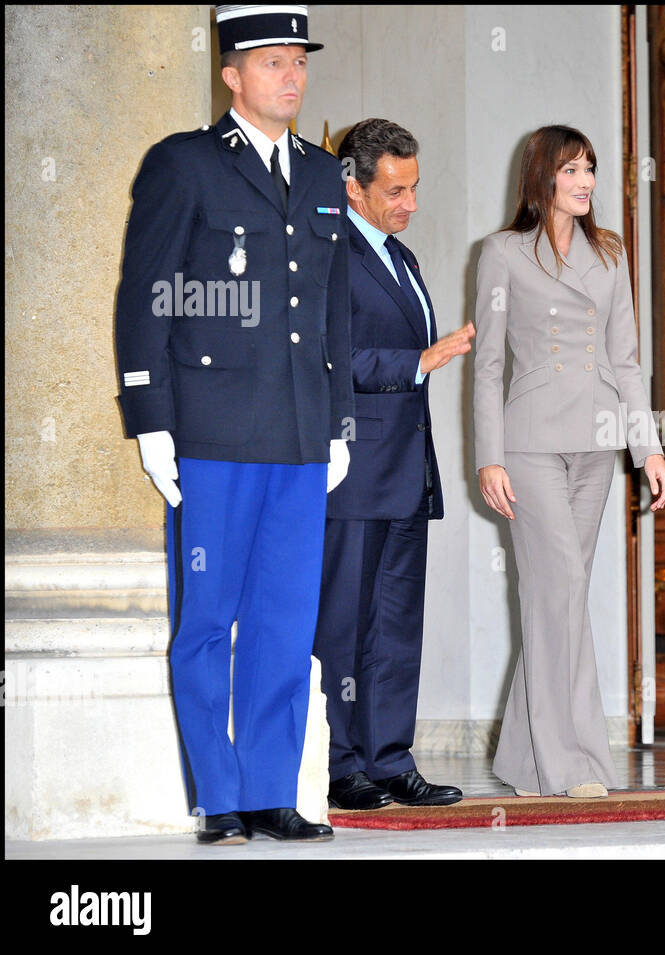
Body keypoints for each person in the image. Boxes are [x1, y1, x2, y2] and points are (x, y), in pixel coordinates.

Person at [113, 5, 351, 844]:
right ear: (232, 76)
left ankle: (269, 790)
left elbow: (334, 308)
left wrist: (341, 423)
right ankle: (219, 795)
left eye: (299, 61)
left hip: (296, 433)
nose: (292, 75)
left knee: (286, 623)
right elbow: (146, 295)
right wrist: (151, 420)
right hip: (210, 432)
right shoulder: (183, 165)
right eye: (274, 61)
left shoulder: (325, 177)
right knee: (209, 618)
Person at [474, 125, 665, 798]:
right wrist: (488, 457)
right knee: (555, 589)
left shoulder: (611, 255)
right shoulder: (500, 254)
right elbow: (489, 363)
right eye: (571, 170)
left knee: (559, 598)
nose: (586, 181)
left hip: (597, 443)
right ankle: (574, 763)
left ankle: (523, 762)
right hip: (528, 446)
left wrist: (647, 449)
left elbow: (626, 361)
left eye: (590, 168)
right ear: (543, 178)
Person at [313, 119, 474, 811]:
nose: (410, 202)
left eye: (414, 187)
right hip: (352, 473)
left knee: (396, 624)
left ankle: (389, 758)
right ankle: (340, 762)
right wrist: (420, 360)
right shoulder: (327, 251)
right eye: (396, 189)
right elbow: (325, 358)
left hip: (407, 473)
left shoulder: (401, 258)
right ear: (353, 185)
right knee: (344, 623)